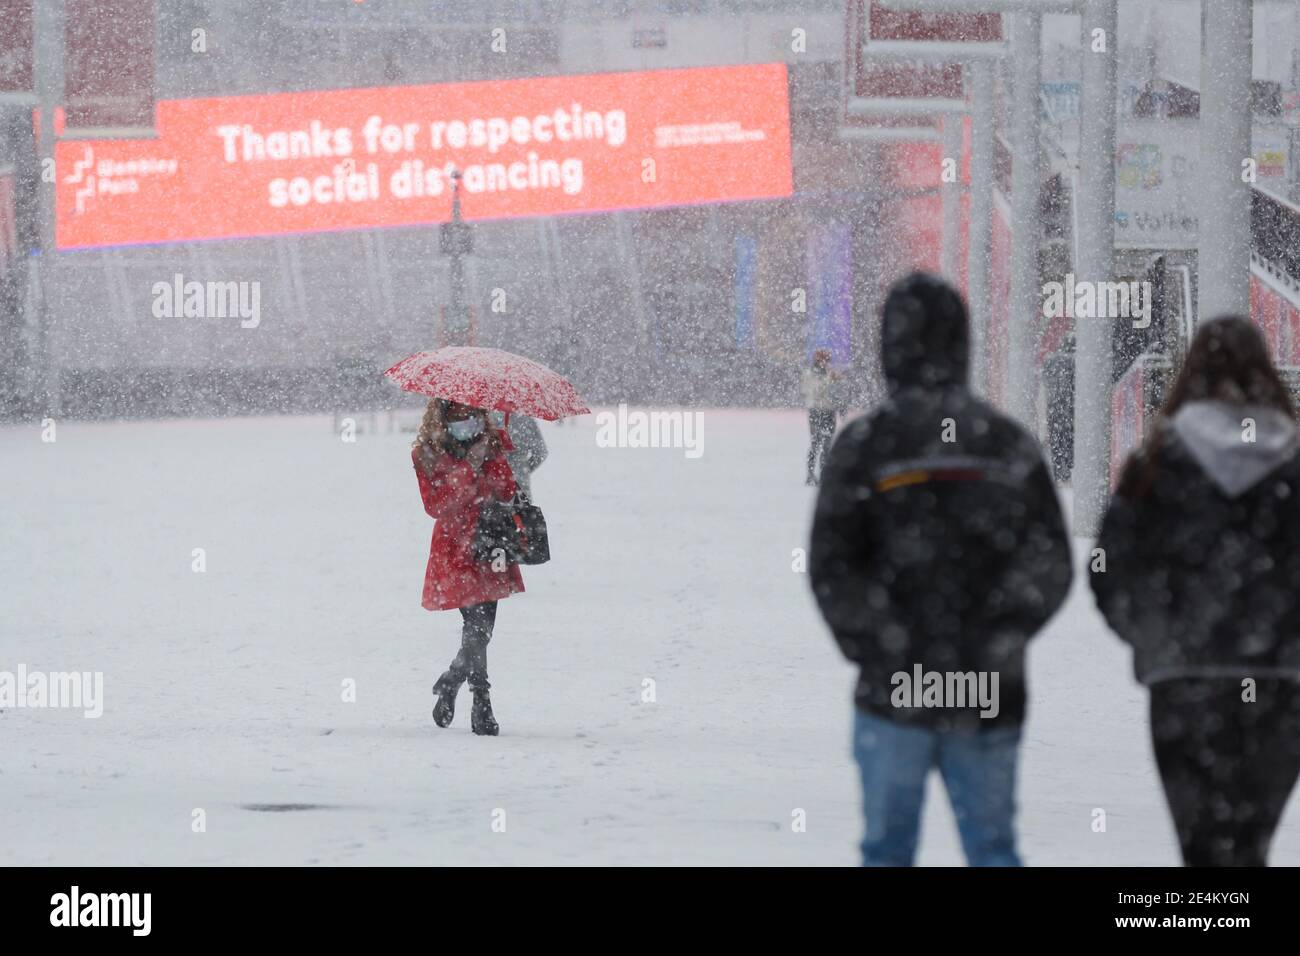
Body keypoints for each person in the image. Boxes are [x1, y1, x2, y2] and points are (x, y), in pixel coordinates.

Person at [809, 272, 1072, 866]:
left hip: (892, 689)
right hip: (989, 689)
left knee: (886, 852)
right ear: (962, 343)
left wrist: (880, 642)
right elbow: (1049, 562)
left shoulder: (864, 445)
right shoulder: (1006, 444)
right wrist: (996, 635)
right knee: (993, 851)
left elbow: (832, 565)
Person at [1091, 316, 1300, 867]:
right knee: (1251, 850)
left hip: (1184, 684)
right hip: (1279, 686)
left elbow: (1107, 566)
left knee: (1200, 851)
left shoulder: (1157, 466)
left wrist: (1153, 637)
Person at [412, 398, 524, 736]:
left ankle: (451, 680)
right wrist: (468, 468)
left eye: (473, 414)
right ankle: (481, 702)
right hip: (454, 548)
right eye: (459, 415)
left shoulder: (491, 444)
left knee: (482, 629)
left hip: (490, 542)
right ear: (443, 415)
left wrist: (495, 455)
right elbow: (436, 504)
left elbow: (506, 490)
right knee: (477, 628)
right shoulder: (427, 454)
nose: (467, 420)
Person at [802, 349, 841, 485]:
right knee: (816, 444)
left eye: (827, 360)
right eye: (823, 359)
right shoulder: (810, 373)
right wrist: (830, 381)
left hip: (829, 411)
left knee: (826, 445)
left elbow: (837, 393)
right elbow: (814, 392)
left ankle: (824, 475)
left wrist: (836, 384)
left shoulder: (829, 373)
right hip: (816, 411)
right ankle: (811, 475)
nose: (826, 363)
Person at [493, 412, 548, 500]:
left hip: (495, 482)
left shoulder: (489, 417)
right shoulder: (525, 418)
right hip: (520, 484)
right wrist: (524, 466)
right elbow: (541, 452)